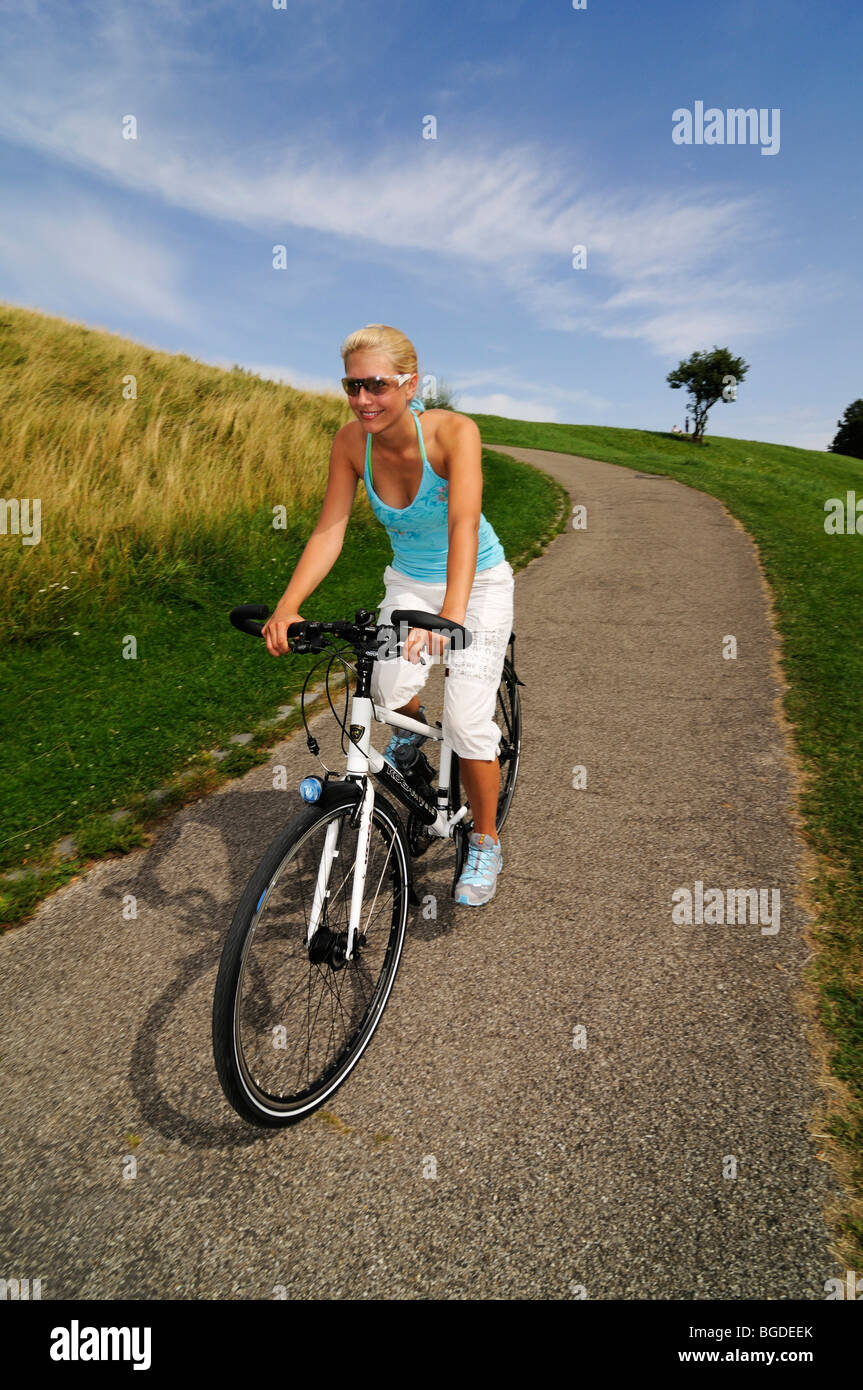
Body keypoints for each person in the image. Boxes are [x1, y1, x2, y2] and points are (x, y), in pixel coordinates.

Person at [262, 323, 514, 907]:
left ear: (410, 383)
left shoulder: (454, 433)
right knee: (385, 687)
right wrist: (288, 604)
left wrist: (449, 617)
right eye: (352, 386)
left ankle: (484, 838)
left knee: (469, 720)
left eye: (375, 384)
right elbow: (331, 529)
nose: (362, 400)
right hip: (408, 582)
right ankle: (410, 741)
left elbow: (463, 525)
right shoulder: (352, 442)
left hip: (475, 584)